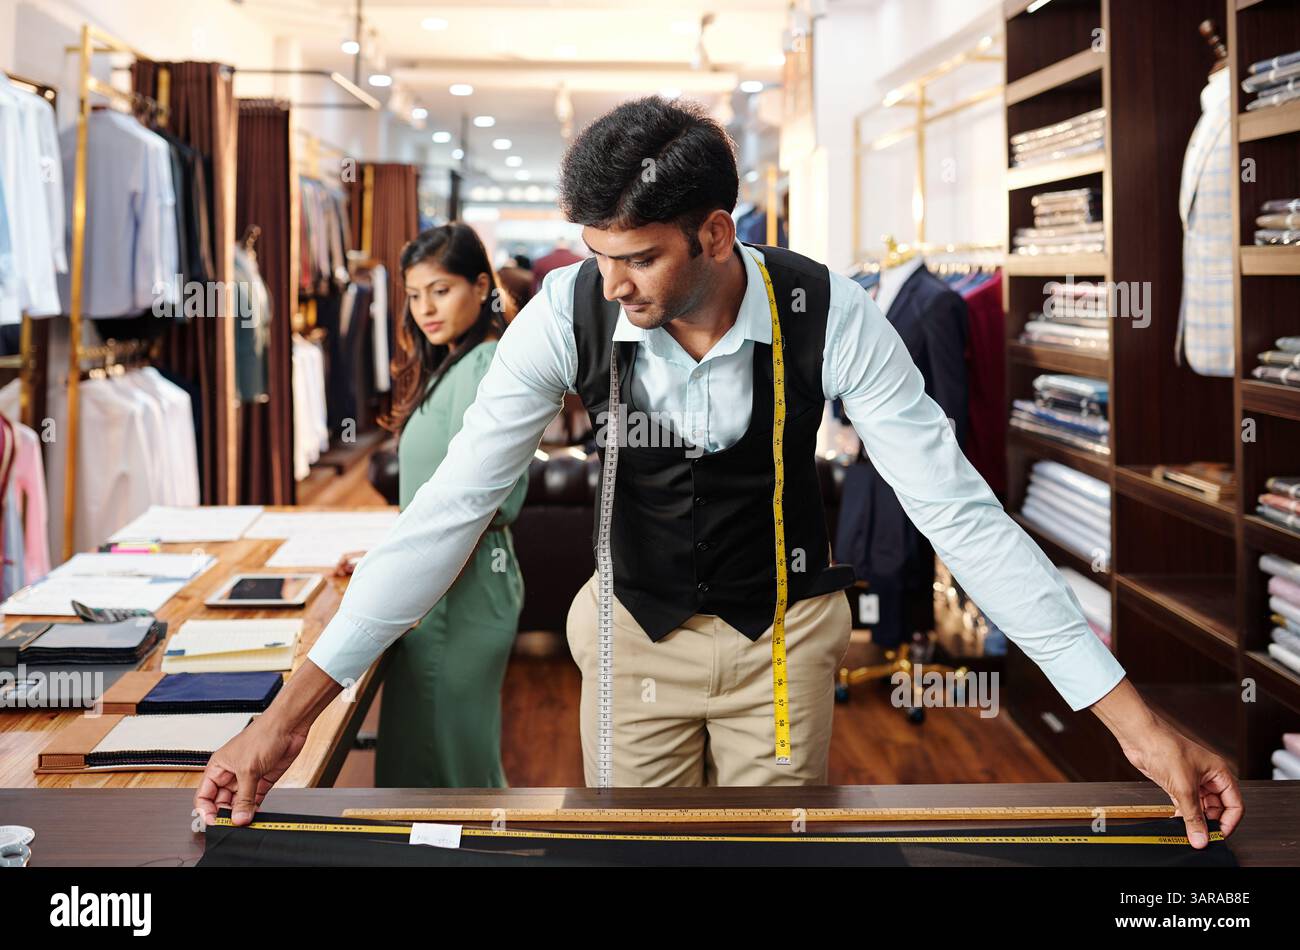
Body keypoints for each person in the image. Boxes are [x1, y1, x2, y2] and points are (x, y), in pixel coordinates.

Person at [196, 96, 1242, 849]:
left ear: (712, 232)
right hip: (626, 635)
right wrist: (286, 717)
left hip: (781, 639)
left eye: (637, 258)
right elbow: (448, 509)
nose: (611, 285)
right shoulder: (569, 311)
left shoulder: (831, 313)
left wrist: (1136, 727)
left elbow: (960, 514)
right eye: (595, 255)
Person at [336, 223, 527, 787]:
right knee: (424, 758)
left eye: (440, 291)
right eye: (415, 295)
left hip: (460, 593)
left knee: (456, 768)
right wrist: (388, 553)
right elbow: (436, 493)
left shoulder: (485, 364)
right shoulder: (452, 362)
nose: (425, 309)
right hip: (435, 584)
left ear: (479, 285)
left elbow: (481, 500)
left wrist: (398, 559)